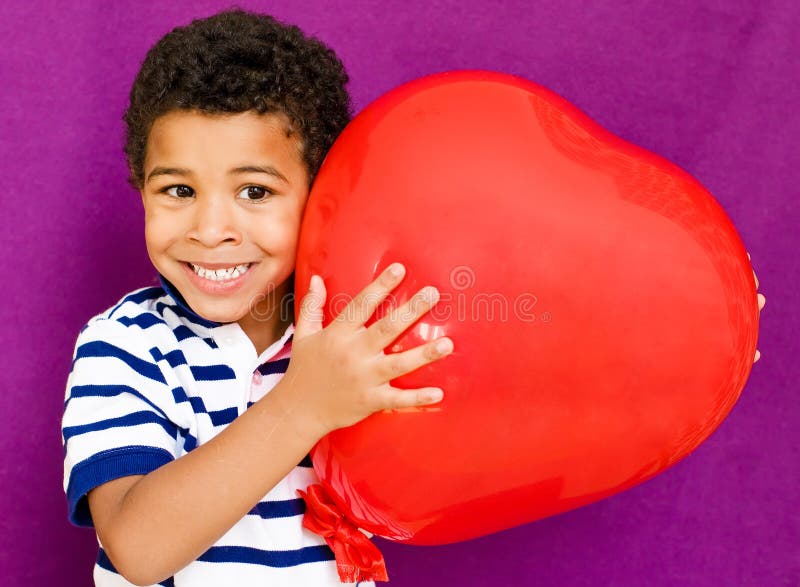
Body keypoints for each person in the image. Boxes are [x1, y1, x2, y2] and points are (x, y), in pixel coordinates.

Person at [61, 9, 452, 586]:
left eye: (254, 190)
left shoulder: (352, 342)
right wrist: (304, 405)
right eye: (178, 189)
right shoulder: (124, 346)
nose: (212, 228)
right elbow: (137, 550)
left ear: (321, 195)